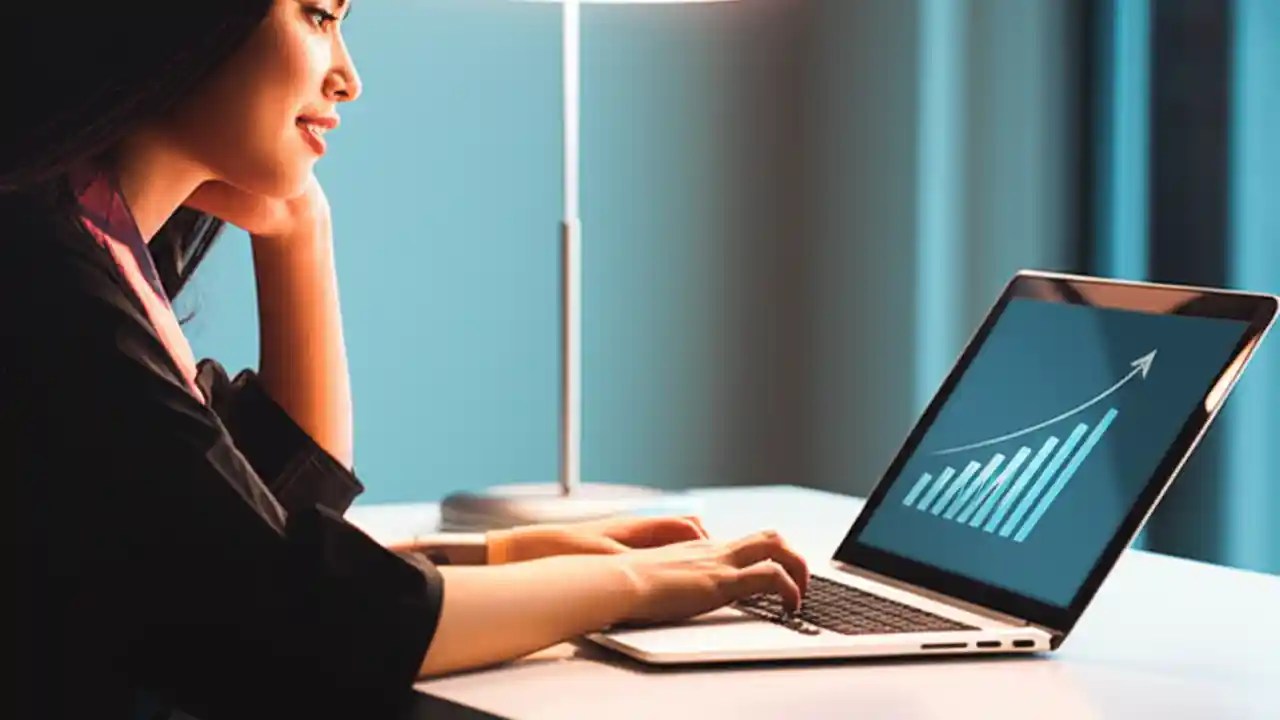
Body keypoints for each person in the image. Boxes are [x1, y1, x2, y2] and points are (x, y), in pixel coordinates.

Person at [2, 3, 809, 718]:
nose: (347, 78)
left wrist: (299, 227)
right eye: (320, 16)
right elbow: (299, 619)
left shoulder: (83, 244)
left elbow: (266, 513)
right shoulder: (54, 291)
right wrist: (633, 587)